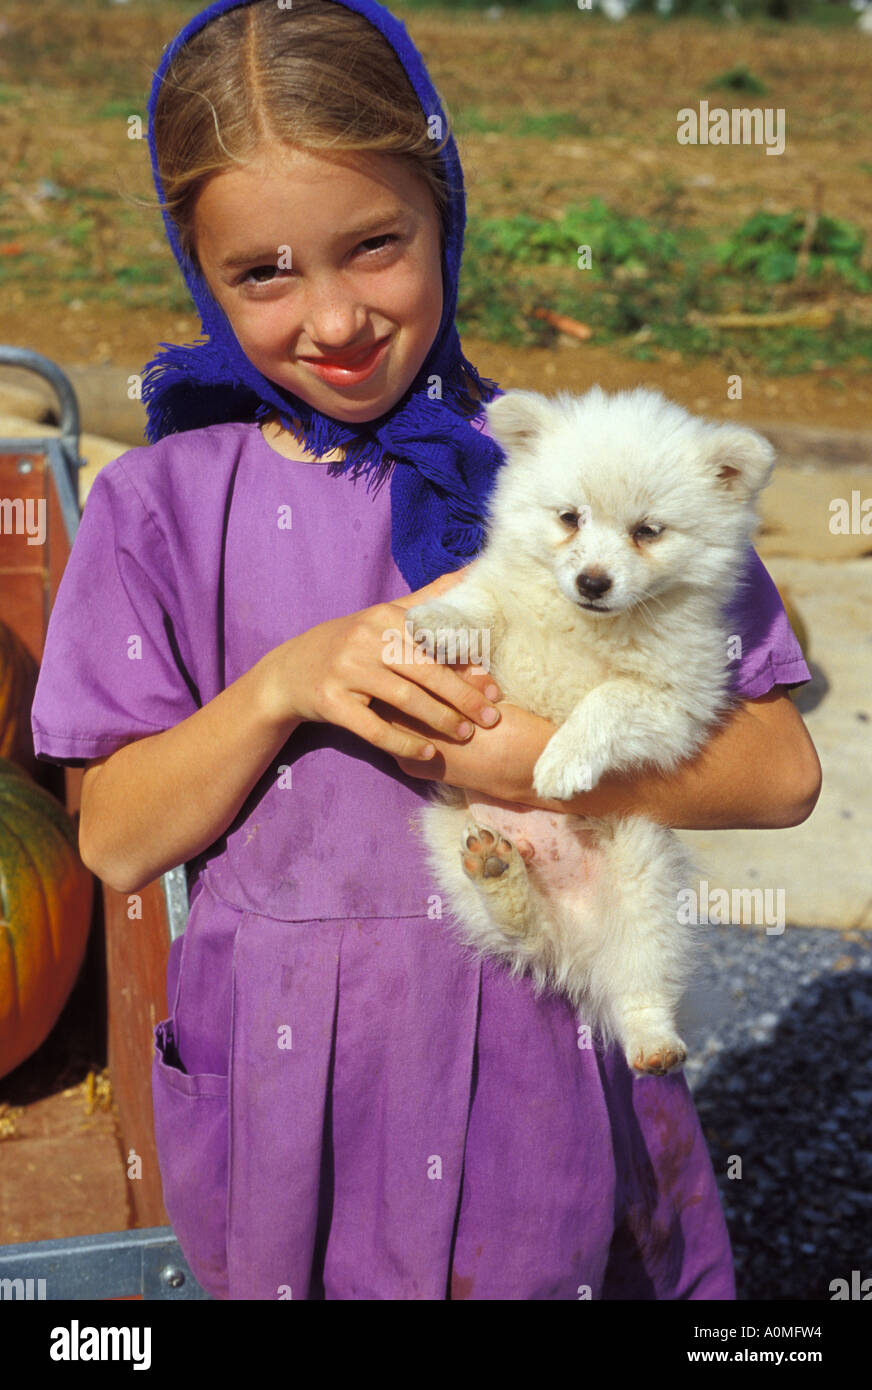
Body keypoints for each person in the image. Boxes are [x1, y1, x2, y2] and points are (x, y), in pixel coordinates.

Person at [30, 0, 819, 1301]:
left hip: (544, 1095)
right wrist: (284, 682)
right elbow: (113, 837)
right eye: (264, 273)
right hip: (300, 1115)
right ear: (197, 268)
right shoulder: (156, 508)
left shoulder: (584, 471)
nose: (333, 318)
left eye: (377, 245)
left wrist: (544, 757)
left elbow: (781, 770)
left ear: (445, 207)